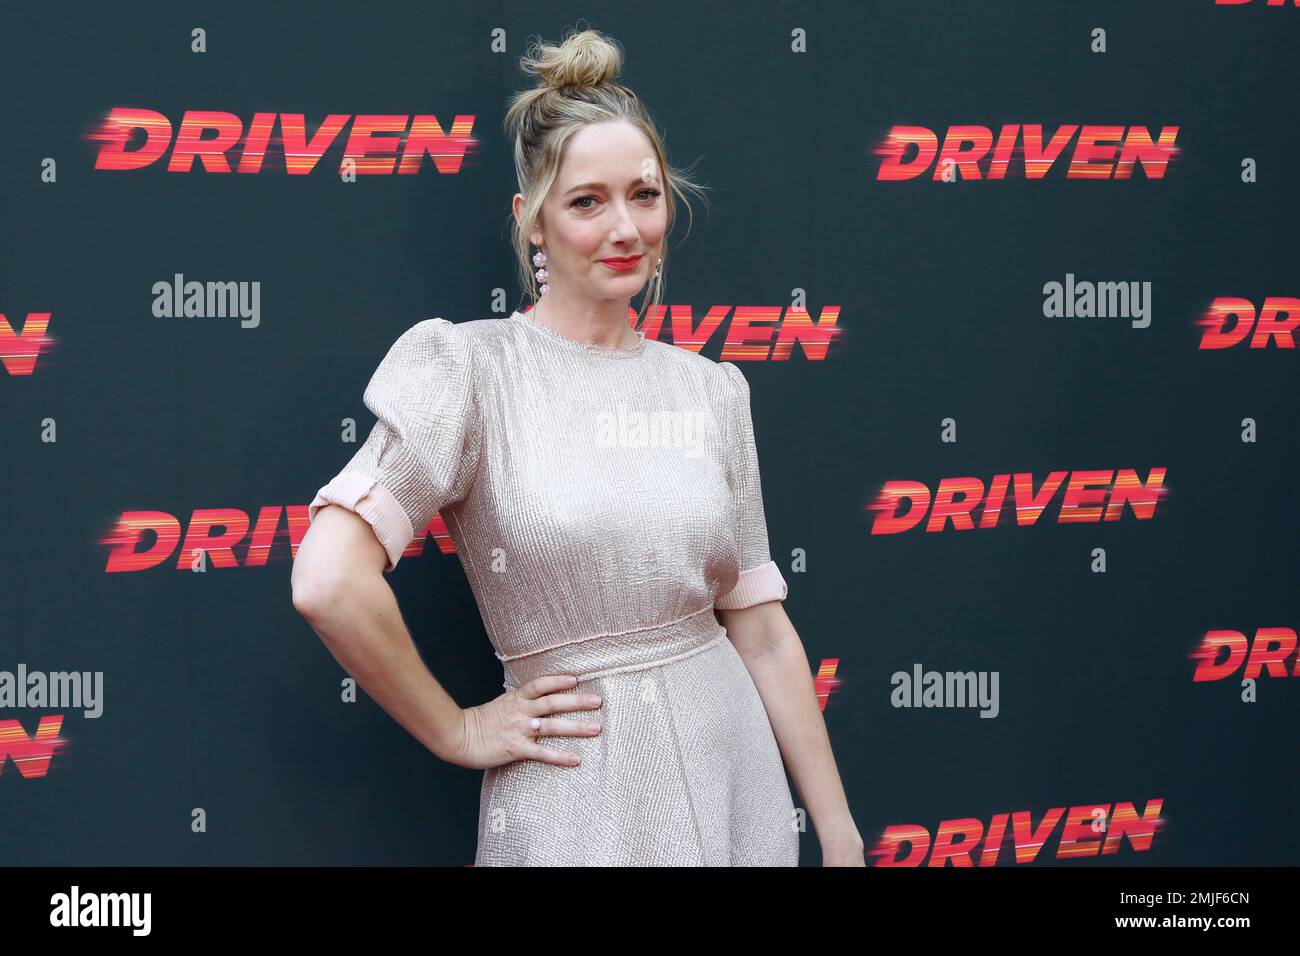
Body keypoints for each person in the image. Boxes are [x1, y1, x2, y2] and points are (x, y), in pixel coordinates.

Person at [291, 26, 864, 866]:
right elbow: (328, 582)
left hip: (731, 767)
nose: (625, 226)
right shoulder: (467, 372)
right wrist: (455, 728)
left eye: (645, 194)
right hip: (576, 789)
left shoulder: (711, 391)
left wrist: (840, 831)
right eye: (587, 201)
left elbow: (763, 631)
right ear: (532, 222)